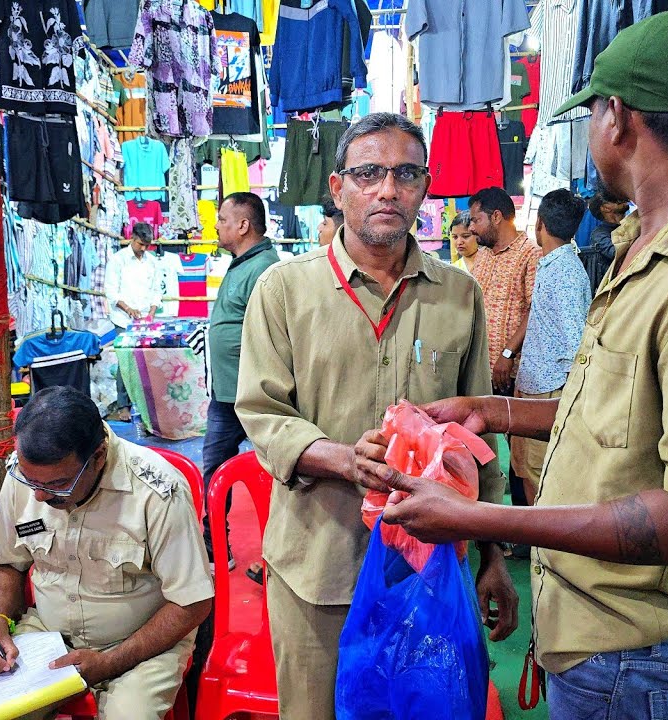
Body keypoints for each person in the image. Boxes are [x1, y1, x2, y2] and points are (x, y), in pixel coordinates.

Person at [355, 9, 668, 718]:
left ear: (618, 120)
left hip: (632, 649)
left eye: (593, 110)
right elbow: (616, 411)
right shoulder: (651, 246)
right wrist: (494, 412)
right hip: (595, 634)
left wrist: (479, 521)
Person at [236, 112, 512, 720]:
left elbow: (478, 434)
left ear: (426, 184)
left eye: (405, 174)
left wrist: (492, 555)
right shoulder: (284, 291)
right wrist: (341, 458)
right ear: (337, 188)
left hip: (429, 572)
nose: (387, 189)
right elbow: (261, 412)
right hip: (319, 570)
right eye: (368, 174)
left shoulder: (457, 295)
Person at [0, 387, 212, 719]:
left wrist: (110, 662)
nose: (38, 496)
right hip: (49, 637)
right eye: (31, 481)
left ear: (98, 456)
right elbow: (8, 562)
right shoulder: (26, 476)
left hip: (142, 644)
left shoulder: (156, 490)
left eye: (57, 484)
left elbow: (191, 602)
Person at [204, 192, 280, 565]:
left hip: (251, 392)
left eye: (222, 218)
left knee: (278, 469)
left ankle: (277, 554)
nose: (216, 225)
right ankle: (215, 546)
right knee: (215, 469)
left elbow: (271, 333)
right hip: (228, 392)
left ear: (243, 225)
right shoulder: (242, 264)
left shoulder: (263, 269)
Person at [510, 189, 591, 511]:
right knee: (525, 467)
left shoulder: (566, 271)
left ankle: (545, 550)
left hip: (551, 390)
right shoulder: (552, 264)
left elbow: (575, 341)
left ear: (539, 223)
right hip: (534, 384)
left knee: (543, 473)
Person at [468, 187, 540, 395]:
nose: (472, 228)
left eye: (476, 220)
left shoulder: (530, 254)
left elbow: (535, 310)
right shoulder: (482, 254)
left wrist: (508, 353)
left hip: (508, 373)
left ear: (496, 216)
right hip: (478, 370)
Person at [104, 223, 163, 421]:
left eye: (147, 245)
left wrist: (152, 312)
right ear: (132, 238)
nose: (144, 249)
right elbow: (111, 291)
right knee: (126, 362)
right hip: (123, 319)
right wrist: (128, 309)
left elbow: (157, 290)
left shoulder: (153, 262)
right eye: (140, 244)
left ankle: (149, 405)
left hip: (146, 319)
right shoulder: (118, 260)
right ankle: (124, 405)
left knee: (148, 360)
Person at [582, 191, 629, 292]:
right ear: (605, 208)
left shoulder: (631, 224)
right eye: (615, 200)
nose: (622, 200)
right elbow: (617, 254)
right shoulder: (599, 235)